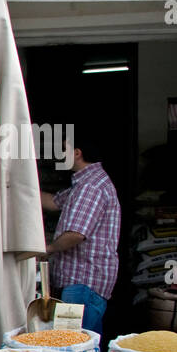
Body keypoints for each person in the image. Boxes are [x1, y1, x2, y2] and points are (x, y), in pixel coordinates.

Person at [40, 137, 121, 336]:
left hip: (83, 283)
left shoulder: (90, 187)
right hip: (82, 284)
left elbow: (76, 234)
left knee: (72, 344)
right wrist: (17, 187)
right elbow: (53, 202)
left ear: (77, 153)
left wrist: (46, 250)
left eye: (63, 150)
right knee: (83, 344)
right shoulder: (85, 184)